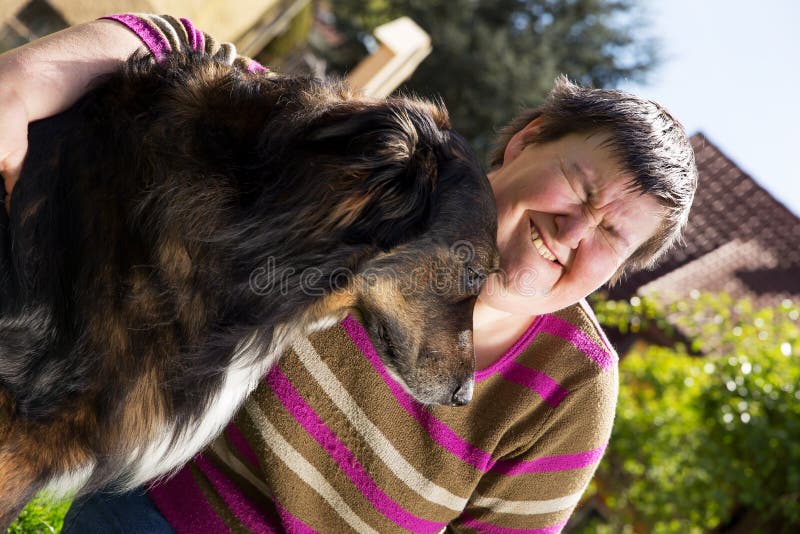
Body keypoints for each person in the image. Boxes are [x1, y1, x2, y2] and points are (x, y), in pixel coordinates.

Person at [0, 14, 697, 533]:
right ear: (526, 141)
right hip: (158, 513)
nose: (573, 232)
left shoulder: (572, 385)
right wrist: (19, 82)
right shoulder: (384, 190)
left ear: (618, 273)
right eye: (578, 187)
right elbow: (187, 53)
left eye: (611, 234)